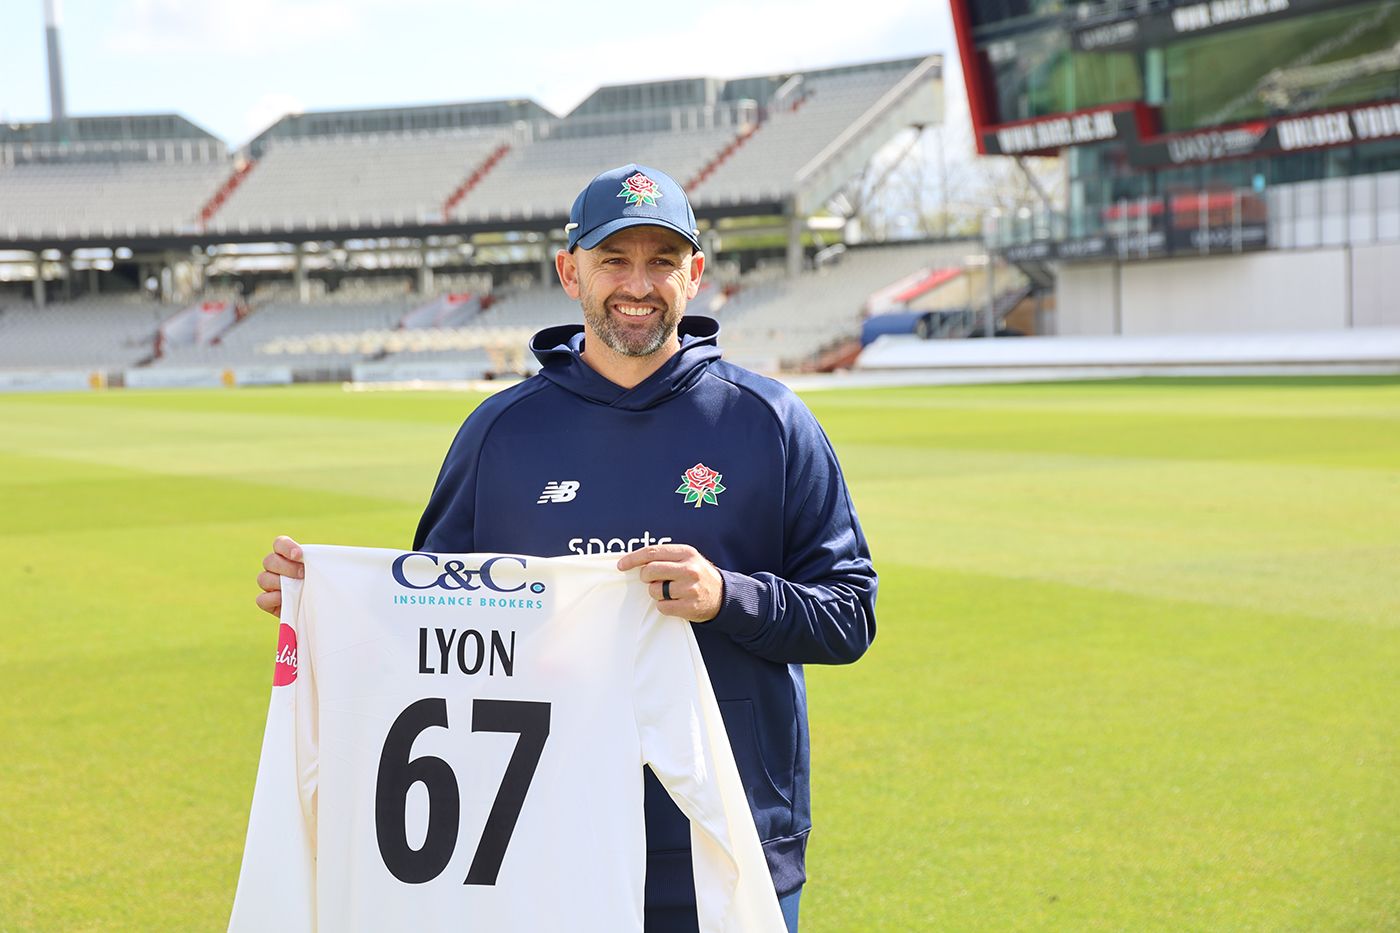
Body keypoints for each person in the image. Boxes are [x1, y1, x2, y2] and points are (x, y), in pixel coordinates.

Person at [255, 163, 877, 933]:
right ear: (570, 269)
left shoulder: (770, 422)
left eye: (663, 261)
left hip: (728, 839)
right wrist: (317, 605)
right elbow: (427, 626)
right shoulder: (501, 433)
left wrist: (729, 595)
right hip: (538, 842)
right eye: (615, 258)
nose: (639, 283)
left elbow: (851, 614)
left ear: (698, 274)